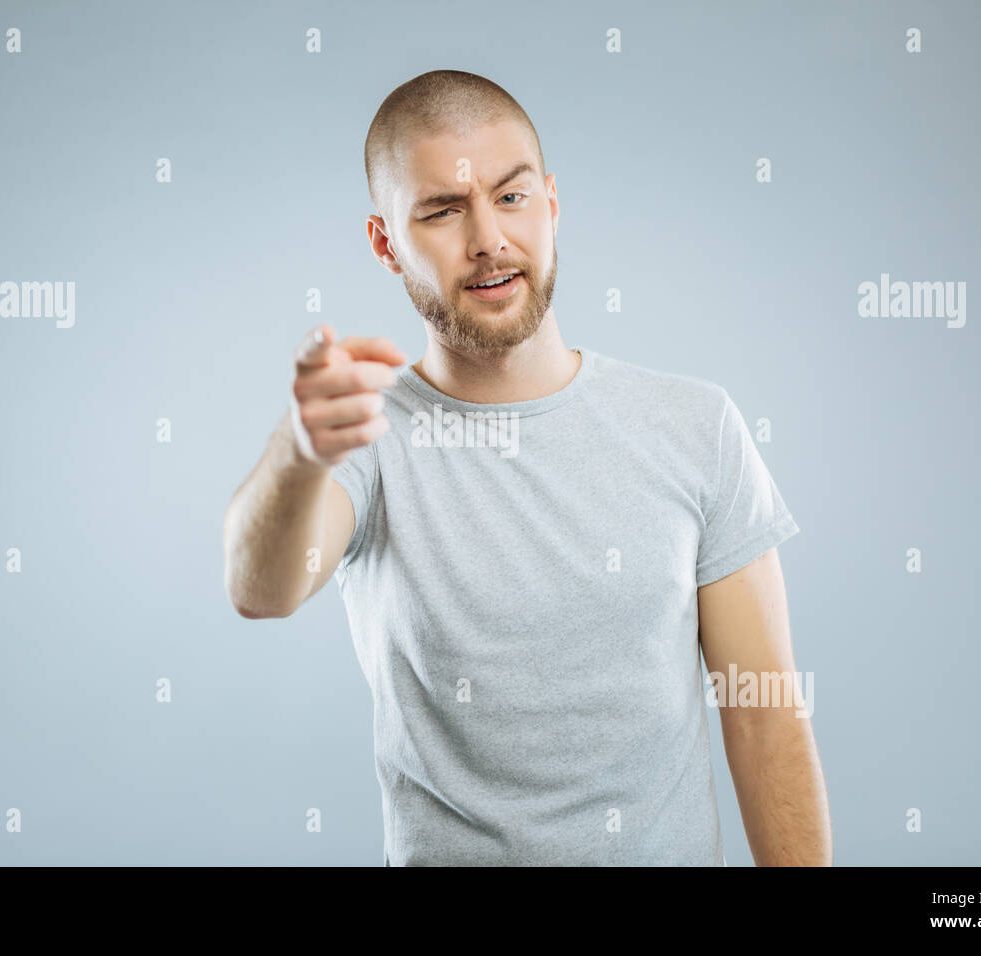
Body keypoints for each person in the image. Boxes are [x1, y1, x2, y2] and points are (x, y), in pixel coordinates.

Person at [222, 69, 831, 866]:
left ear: (550, 202)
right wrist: (298, 452)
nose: (488, 241)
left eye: (510, 198)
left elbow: (764, 715)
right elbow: (259, 590)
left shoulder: (696, 426)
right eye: (442, 211)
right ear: (385, 243)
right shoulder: (366, 443)